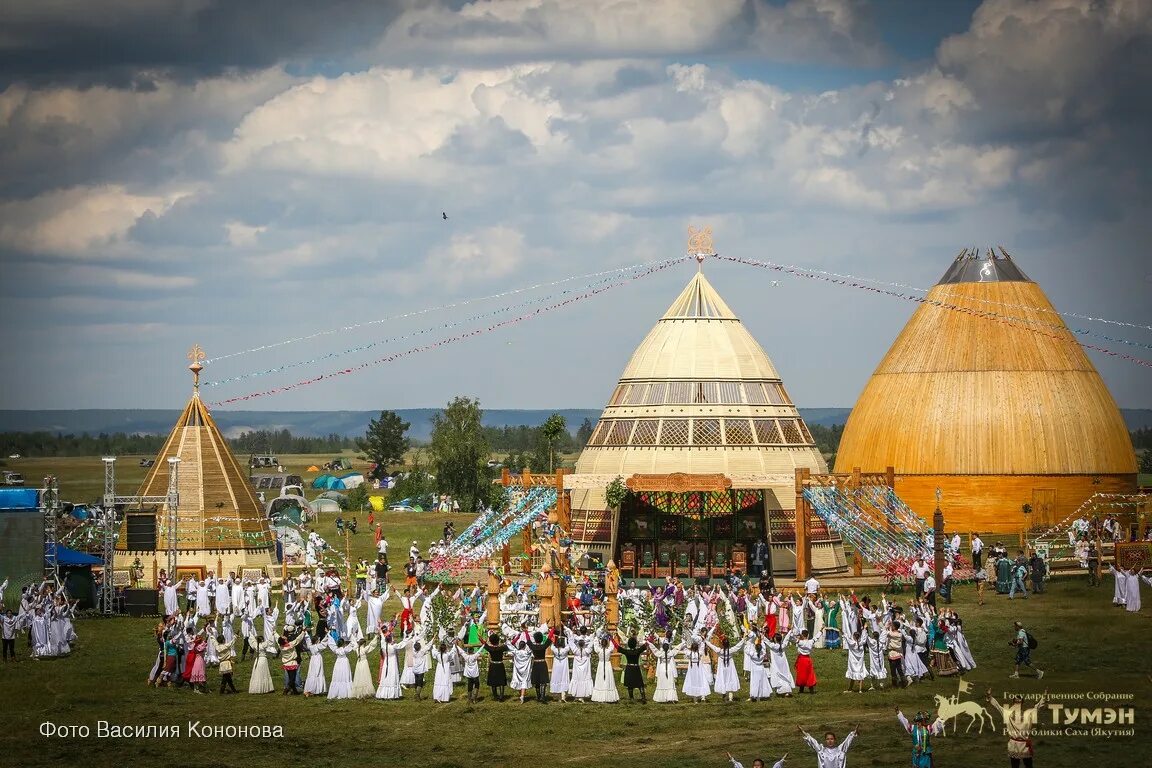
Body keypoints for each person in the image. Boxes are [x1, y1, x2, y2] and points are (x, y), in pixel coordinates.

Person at [987, 689, 1047, 768]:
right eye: (1016, 702)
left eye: (1018, 702)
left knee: (1027, 765)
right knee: (1018, 766)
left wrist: (1044, 696)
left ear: (1021, 703)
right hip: (1015, 745)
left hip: (1022, 745)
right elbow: (998, 706)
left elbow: (1038, 706)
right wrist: (990, 697)